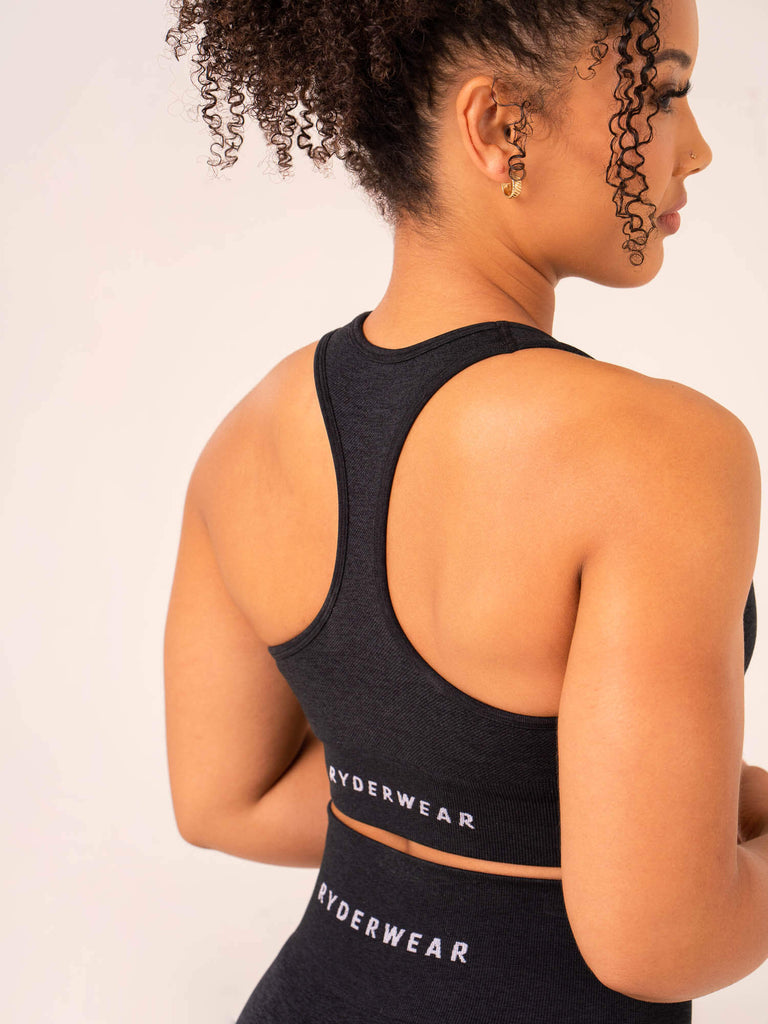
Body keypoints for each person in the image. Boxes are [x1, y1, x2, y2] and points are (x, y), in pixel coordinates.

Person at [163, 0, 768, 1020]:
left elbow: (231, 801)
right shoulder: (658, 455)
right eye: (663, 93)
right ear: (497, 126)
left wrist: (677, 802)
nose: (697, 148)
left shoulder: (251, 434)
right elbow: (663, 940)